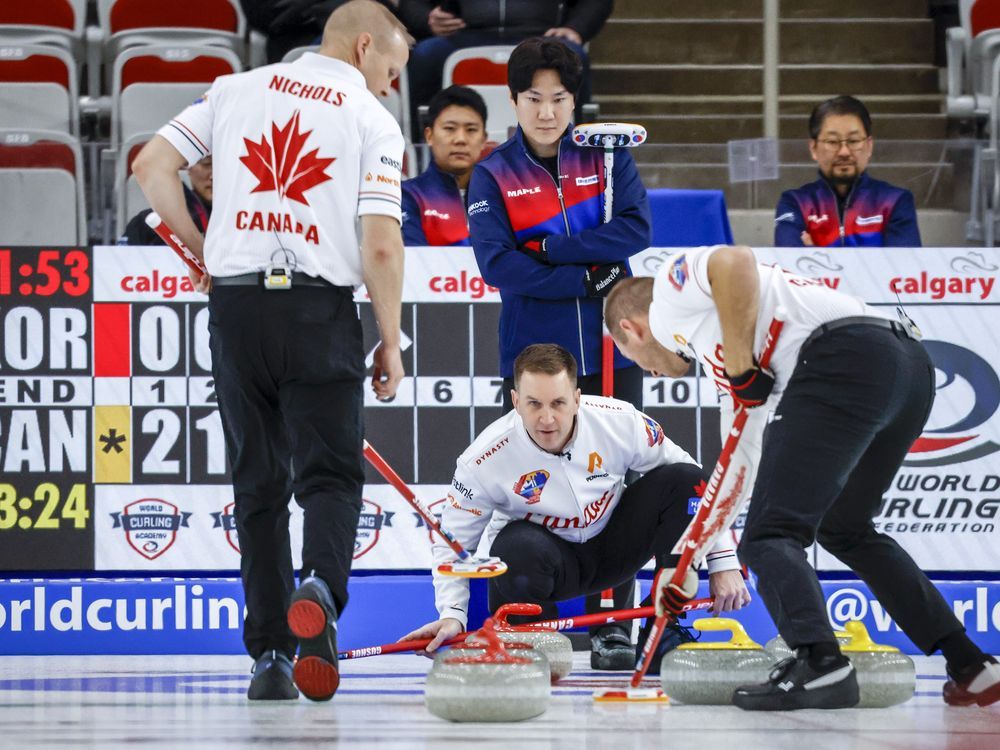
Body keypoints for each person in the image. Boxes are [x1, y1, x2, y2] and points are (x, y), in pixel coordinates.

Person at [132, 0, 411, 702]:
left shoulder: (233, 90)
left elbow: (151, 165)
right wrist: (390, 341)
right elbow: (380, 241)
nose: (389, 85)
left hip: (238, 307)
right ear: (364, 45)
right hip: (317, 310)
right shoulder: (372, 120)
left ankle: (269, 660)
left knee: (257, 487)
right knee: (331, 477)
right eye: (392, 68)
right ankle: (319, 585)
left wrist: (201, 252)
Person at [604, 246, 1000, 710]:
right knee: (845, 529)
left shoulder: (671, 296)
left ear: (631, 329)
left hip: (844, 357)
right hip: (905, 366)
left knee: (769, 536)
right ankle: (970, 662)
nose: (646, 370)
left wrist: (739, 366)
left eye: (629, 354)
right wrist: (687, 562)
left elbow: (733, 261)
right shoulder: (723, 358)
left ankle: (820, 663)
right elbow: (735, 470)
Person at [466, 37, 652, 667]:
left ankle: (611, 624)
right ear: (513, 102)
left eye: (560, 99)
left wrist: (548, 249)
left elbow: (633, 230)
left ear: (576, 101)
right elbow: (499, 266)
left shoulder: (606, 159)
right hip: (532, 357)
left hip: (612, 349)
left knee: (618, 485)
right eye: (534, 99)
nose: (547, 112)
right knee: (530, 487)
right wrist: (585, 275)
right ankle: (531, 617)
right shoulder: (493, 173)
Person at [399, 343, 750, 669]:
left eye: (558, 403)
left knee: (684, 478)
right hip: (545, 564)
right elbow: (453, 545)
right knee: (512, 546)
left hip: (616, 547)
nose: (547, 419)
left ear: (578, 398)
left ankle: (662, 627)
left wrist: (722, 561)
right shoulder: (483, 458)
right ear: (515, 400)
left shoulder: (619, 420)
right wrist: (452, 614)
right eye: (534, 404)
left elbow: (700, 487)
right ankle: (531, 638)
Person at [398, 0, 611, 137]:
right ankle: (422, 150)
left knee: (575, 56)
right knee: (424, 56)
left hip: (540, 34)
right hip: (462, 34)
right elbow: (411, 4)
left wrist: (576, 28)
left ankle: (582, 151)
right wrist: (428, 20)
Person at [774, 95, 921, 247]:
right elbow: (787, 265)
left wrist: (815, 254)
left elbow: (902, 268)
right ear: (813, 148)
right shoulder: (795, 202)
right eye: (832, 142)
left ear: (869, 146)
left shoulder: (896, 201)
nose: (844, 152)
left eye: (854, 141)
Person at [401, 85, 488, 245]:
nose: (460, 139)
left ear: (484, 140)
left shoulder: (501, 199)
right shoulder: (407, 196)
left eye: (471, 129)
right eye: (450, 128)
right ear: (429, 136)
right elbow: (415, 261)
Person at [123, 155, 213, 245]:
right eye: (207, 164)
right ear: (188, 166)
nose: (213, 176)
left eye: (224, 166)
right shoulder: (148, 224)